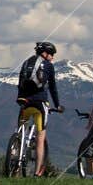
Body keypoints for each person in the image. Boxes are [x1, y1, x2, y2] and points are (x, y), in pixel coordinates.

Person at [15, 41, 63, 176]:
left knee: (20, 133)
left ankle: (15, 163)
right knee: (40, 138)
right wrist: (57, 105)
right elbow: (53, 87)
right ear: (45, 53)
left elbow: (20, 83)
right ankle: (37, 172)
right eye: (52, 54)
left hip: (24, 102)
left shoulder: (26, 63)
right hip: (39, 104)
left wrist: (20, 98)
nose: (53, 57)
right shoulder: (48, 66)